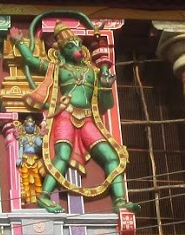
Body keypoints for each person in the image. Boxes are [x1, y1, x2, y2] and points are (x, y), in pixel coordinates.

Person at [16, 22, 133, 213]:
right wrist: (19, 41)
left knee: (113, 157)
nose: (77, 49)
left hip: (88, 119)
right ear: (61, 51)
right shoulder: (58, 68)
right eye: (71, 46)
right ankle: (44, 195)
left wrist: (105, 87)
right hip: (66, 115)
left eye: (78, 44)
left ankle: (120, 201)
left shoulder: (94, 72)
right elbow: (31, 61)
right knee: (62, 155)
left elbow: (107, 104)